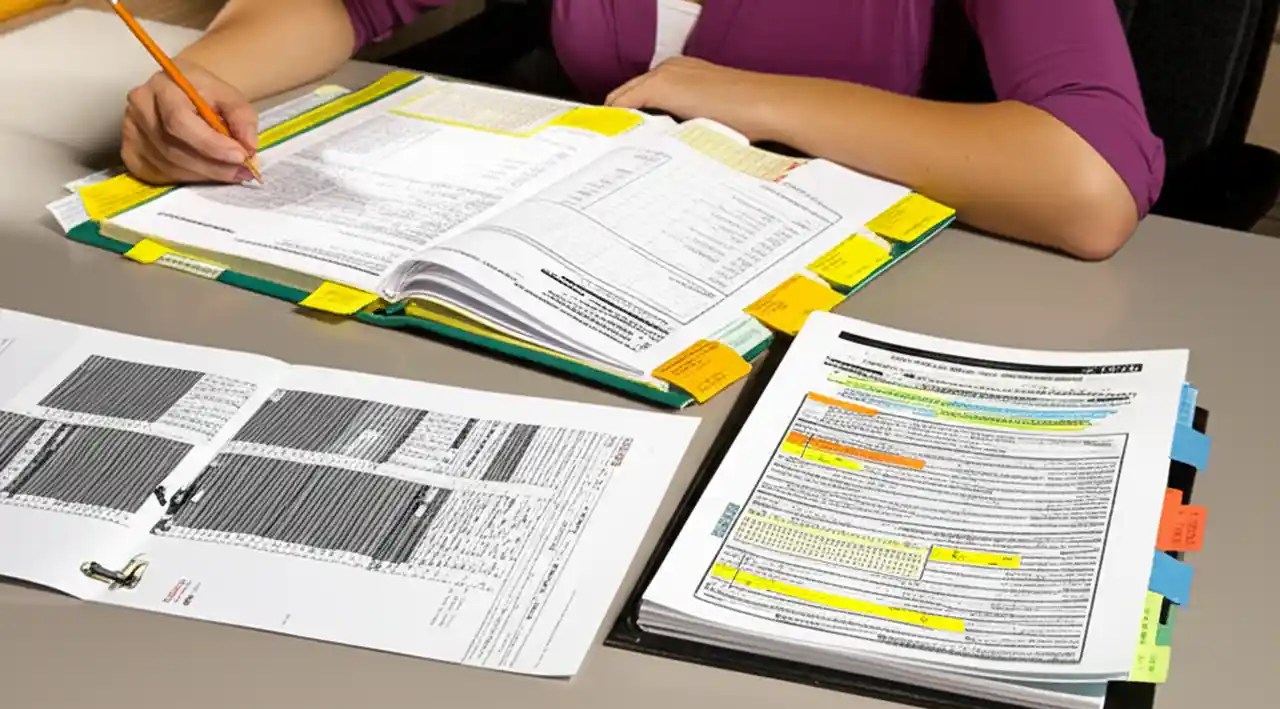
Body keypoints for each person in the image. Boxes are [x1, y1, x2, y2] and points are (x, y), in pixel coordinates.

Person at [121, 0, 1164, 260]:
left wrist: (750, 97)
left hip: (854, 285)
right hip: (598, 255)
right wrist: (206, 75)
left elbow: (1087, 184)